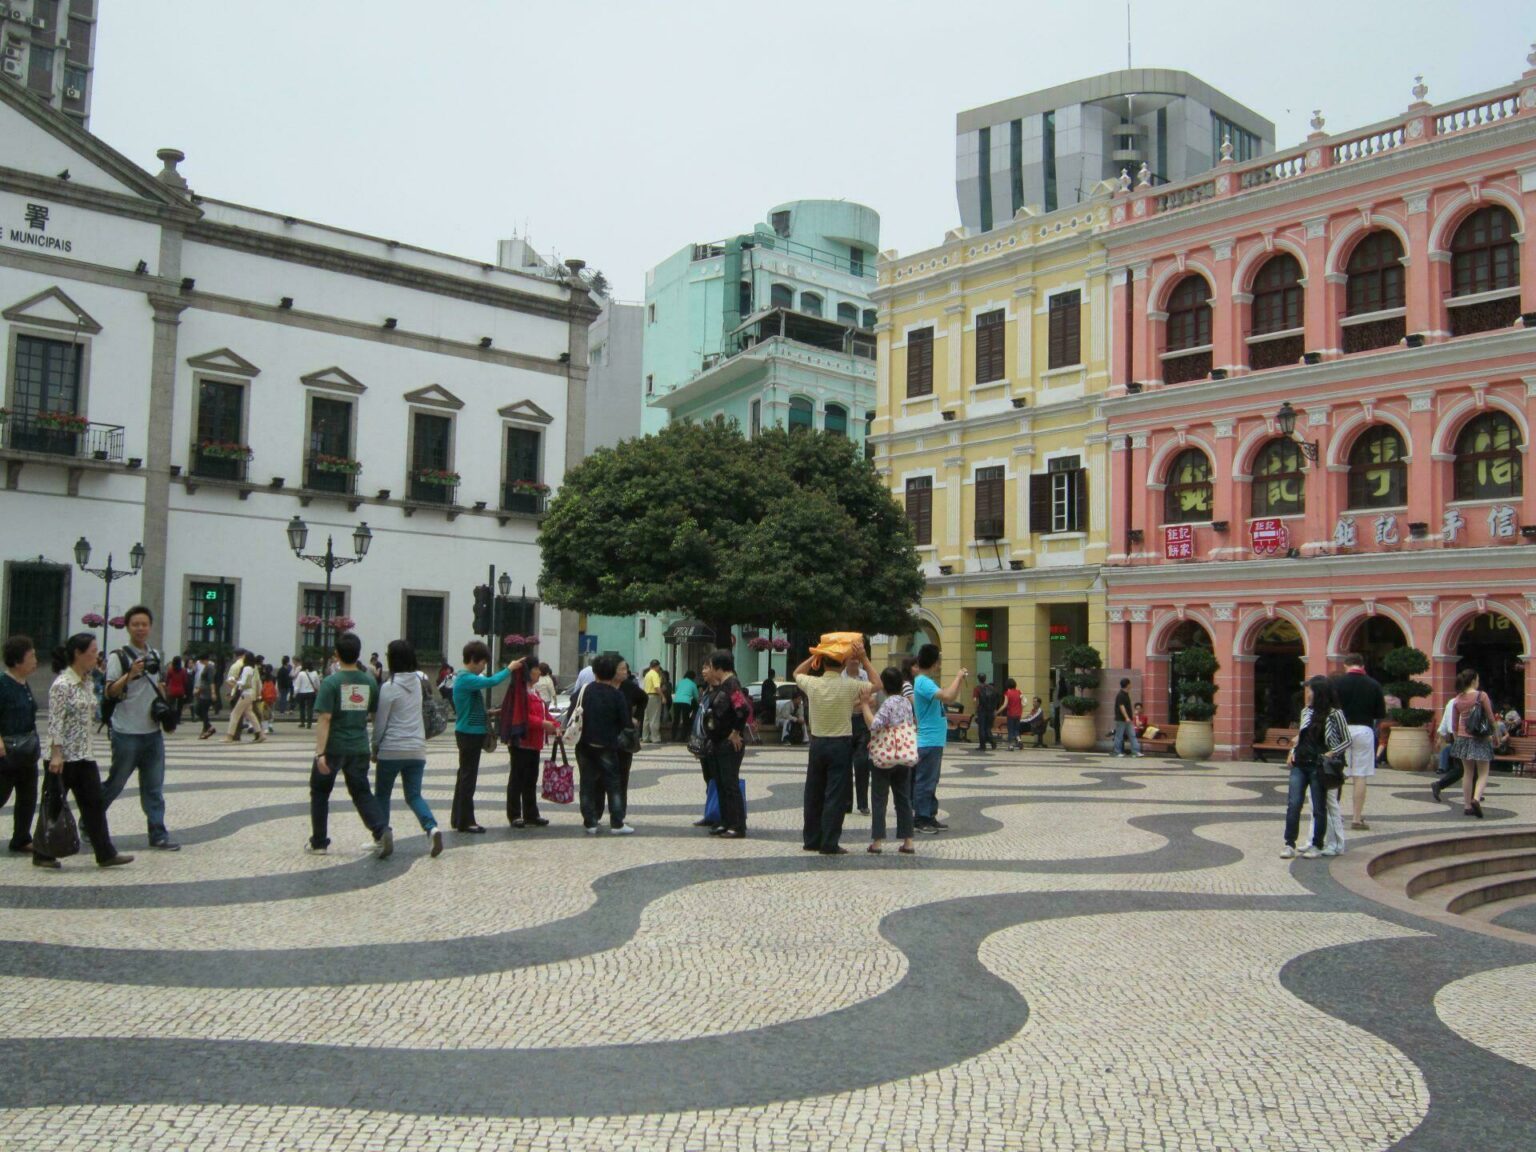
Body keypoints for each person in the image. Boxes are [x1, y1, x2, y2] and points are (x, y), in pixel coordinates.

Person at [38, 633, 132, 869]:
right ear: (78, 654)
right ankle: (43, 853)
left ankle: (105, 853)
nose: (96, 656)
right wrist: (56, 753)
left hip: (84, 754)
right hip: (62, 757)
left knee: (94, 803)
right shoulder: (62, 685)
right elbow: (55, 721)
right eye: (92, 651)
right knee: (54, 805)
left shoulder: (88, 681)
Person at [306, 631, 391, 858]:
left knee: (320, 792)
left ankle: (319, 842)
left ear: (336, 654)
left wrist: (320, 753)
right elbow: (374, 713)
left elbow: (325, 718)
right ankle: (382, 829)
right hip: (358, 746)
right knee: (361, 792)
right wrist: (375, 743)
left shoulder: (331, 683)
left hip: (333, 746)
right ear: (358, 653)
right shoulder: (369, 681)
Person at [101, 605, 179, 850]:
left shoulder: (154, 654)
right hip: (126, 732)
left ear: (150, 627)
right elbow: (109, 691)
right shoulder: (118, 657)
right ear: (128, 627)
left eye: (144, 624)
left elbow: (158, 686)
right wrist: (130, 674)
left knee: (154, 788)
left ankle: (158, 833)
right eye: (135, 624)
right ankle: (89, 821)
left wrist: (165, 711)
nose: (140, 628)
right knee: (115, 784)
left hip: (152, 732)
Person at [793, 639, 875, 855]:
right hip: (840, 744)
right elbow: (877, 683)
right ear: (844, 663)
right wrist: (864, 658)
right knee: (835, 795)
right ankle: (830, 842)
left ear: (823, 662)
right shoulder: (850, 685)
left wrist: (815, 655)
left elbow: (797, 673)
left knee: (814, 792)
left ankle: (812, 839)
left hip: (817, 743)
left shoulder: (813, 683)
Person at [371, 639, 442, 858]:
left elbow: (381, 722)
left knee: (382, 794)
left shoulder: (389, 687)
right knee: (414, 795)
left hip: (391, 749)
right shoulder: (419, 683)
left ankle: (382, 836)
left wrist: (375, 746)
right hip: (416, 749)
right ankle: (431, 828)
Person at [450, 640, 515, 834]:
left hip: (468, 732)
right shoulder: (465, 678)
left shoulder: (465, 679)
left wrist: (491, 712)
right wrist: (509, 669)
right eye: (483, 663)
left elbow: (470, 707)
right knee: (468, 778)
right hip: (469, 733)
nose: (484, 668)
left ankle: (458, 818)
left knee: (464, 776)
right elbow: (491, 682)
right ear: (473, 659)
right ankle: (466, 821)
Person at [1282, 677, 1349, 859]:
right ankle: (1289, 843)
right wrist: (1292, 751)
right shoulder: (1306, 711)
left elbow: (1347, 740)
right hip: (1300, 763)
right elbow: (1301, 736)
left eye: (1310, 690)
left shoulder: (1335, 714)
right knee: (1294, 804)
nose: (1307, 694)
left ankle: (1317, 844)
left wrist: (1331, 753)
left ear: (1319, 692)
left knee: (1319, 807)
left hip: (1319, 765)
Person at [572, 654, 634, 834]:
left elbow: (572, 712)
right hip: (607, 744)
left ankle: (590, 822)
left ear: (595, 672)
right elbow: (625, 722)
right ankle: (617, 823)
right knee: (613, 784)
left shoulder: (584, 691)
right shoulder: (616, 695)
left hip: (584, 744)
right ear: (612, 673)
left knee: (587, 783)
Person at [912, 645, 966, 834]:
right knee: (925, 781)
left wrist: (959, 681)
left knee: (931, 780)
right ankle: (921, 819)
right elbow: (948, 697)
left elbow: (949, 697)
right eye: (938, 661)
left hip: (934, 740)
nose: (940, 665)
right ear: (934, 663)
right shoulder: (923, 682)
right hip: (928, 740)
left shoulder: (926, 681)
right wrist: (958, 677)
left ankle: (929, 815)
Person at [1330, 652, 1386, 831]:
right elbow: (1380, 713)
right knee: (1360, 775)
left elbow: (1330, 708)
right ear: (1362, 665)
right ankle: (1356, 818)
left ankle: (1334, 815)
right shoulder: (1374, 684)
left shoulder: (1337, 683)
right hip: (1363, 729)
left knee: (1336, 772)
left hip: (1341, 729)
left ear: (1346, 665)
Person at [863, 666, 916, 856]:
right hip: (903, 754)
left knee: (879, 798)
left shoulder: (888, 703)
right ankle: (908, 841)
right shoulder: (906, 703)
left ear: (884, 685)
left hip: (884, 756)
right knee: (903, 798)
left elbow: (874, 725)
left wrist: (864, 706)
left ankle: (877, 842)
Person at [699, 649, 752, 839]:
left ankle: (737, 825)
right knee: (721, 783)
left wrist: (735, 732)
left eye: (711, 666)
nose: (709, 669)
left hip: (728, 745)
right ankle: (725, 821)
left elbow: (743, 709)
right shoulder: (723, 685)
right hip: (718, 741)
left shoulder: (732, 685)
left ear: (719, 668)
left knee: (730, 784)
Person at [503, 660, 557, 828]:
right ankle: (514, 814)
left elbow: (544, 713)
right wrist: (543, 724)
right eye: (535, 669)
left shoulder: (534, 691)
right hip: (521, 742)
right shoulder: (519, 693)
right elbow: (523, 716)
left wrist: (556, 725)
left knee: (531, 779)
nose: (539, 672)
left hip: (534, 742)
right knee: (517, 779)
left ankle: (531, 813)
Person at [1, 635, 41, 855]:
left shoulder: (24, 684)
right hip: (6, 750)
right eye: (31, 656)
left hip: (27, 749)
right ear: (17, 660)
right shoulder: (2, 683)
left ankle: (21, 838)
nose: (35, 660)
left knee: (28, 796)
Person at [1449, 669, 1497, 819]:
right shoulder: (1481, 696)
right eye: (1478, 679)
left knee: (1467, 772)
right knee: (1483, 772)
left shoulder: (1457, 699)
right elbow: (1490, 717)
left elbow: (1454, 723)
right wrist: (1496, 734)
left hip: (1463, 738)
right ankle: (1476, 798)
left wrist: (1457, 740)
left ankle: (1467, 806)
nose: (1478, 682)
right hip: (1480, 738)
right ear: (1473, 681)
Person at [1430, 695, 1464, 804]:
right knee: (1462, 768)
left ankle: (1474, 794)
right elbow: (1446, 720)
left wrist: (1441, 736)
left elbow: (1444, 720)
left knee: (1467, 768)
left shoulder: (1452, 702)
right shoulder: (1460, 702)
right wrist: (1441, 737)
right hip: (1461, 737)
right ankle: (1439, 784)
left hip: (1456, 737)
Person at [223, 650, 260, 742]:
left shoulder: (246, 668)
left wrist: (235, 681)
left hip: (245, 693)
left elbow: (244, 683)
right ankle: (260, 733)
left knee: (234, 714)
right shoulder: (252, 668)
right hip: (251, 693)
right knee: (250, 714)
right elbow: (256, 681)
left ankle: (229, 735)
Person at [1112, 678, 1143, 758]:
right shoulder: (1120, 695)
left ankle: (1135, 751)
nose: (1131, 685)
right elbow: (1121, 707)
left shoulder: (1126, 694)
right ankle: (1117, 752)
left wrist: (1129, 717)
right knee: (1119, 736)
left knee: (1132, 735)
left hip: (1128, 719)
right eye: (1130, 683)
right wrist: (1126, 717)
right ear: (1127, 685)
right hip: (1121, 719)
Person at [972, 674, 1000, 753]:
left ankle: (982, 746)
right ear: (985, 679)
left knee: (981, 728)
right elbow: (997, 698)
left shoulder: (977, 688)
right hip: (990, 711)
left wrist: (976, 710)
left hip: (982, 710)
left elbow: (975, 700)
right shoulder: (992, 688)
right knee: (988, 728)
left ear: (978, 679)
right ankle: (992, 742)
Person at [670, 670, 700, 742]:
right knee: (685, 719)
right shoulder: (693, 684)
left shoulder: (680, 682)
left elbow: (676, 690)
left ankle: (673, 737)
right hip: (686, 702)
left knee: (676, 720)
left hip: (676, 701)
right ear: (693, 677)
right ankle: (683, 738)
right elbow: (696, 696)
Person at [641, 659, 665, 744]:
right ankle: (655, 738)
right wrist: (663, 696)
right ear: (657, 666)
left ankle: (645, 737)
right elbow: (656, 687)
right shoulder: (655, 674)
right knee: (654, 717)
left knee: (646, 718)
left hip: (646, 696)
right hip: (654, 696)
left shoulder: (647, 674)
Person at [293, 661, 320, 728]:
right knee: (310, 708)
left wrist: (295, 693)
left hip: (302, 693)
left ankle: (302, 722)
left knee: (302, 708)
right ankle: (309, 723)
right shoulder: (315, 673)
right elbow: (317, 684)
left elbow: (297, 684)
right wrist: (318, 690)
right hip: (311, 693)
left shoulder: (301, 674)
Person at [164, 656, 189, 724]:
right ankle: (178, 720)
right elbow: (185, 681)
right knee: (179, 707)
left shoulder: (170, 670)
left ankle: (172, 719)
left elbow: (167, 680)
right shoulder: (183, 671)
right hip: (180, 690)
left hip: (172, 690)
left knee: (171, 706)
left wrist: (167, 687)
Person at [1002, 678, 1024, 751]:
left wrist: (997, 711)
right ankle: (1019, 740)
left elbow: (1005, 705)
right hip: (1018, 714)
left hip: (1011, 714)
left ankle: (1011, 746)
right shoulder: (1019, 692)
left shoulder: (1007, 693)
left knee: (1011, 730)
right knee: (1016, 729)